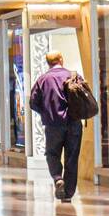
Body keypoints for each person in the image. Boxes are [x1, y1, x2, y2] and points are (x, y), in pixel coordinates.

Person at [30, 51, 83, 203]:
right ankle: (68, 194)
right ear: (61, 59)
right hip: (74, 123)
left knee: (52, 153)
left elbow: (33, 102)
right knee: (72, 158)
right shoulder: (73, 76)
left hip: (53, 124)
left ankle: (58, 178)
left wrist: (46, 112)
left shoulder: (43, 80)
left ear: (48, 63)